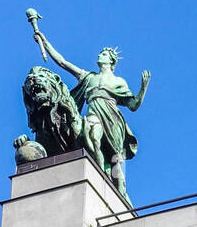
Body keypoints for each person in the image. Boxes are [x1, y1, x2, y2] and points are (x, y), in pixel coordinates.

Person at [32, 32, 150, 201]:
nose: (99, 55)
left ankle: (120, 194)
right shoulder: (88, 77)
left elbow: (133, 105)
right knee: (93, 137)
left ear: (111, 60)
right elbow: (62, 62)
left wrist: (143, 88)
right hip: (94, 113)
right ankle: (99, 173)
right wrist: (44, 41)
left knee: (116, 162)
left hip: (112, 118)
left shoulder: (119, 82)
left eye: (103, 54)